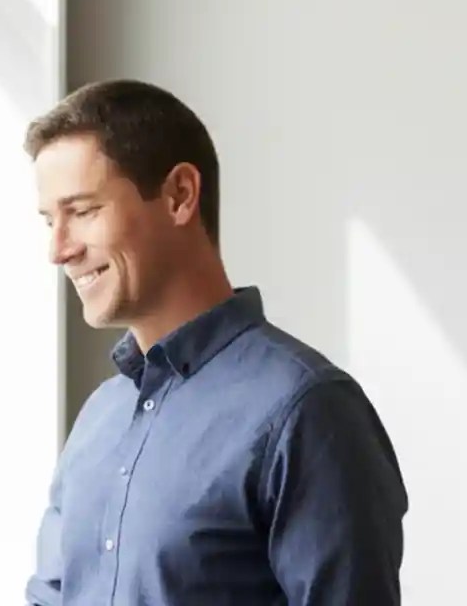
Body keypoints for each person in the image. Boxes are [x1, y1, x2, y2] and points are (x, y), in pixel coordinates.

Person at [24, 79, 407, 605]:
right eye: (49, 220)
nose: (58, 249)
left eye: (84, 211)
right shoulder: (100, 418)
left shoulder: (308, 410)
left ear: (180, 195)